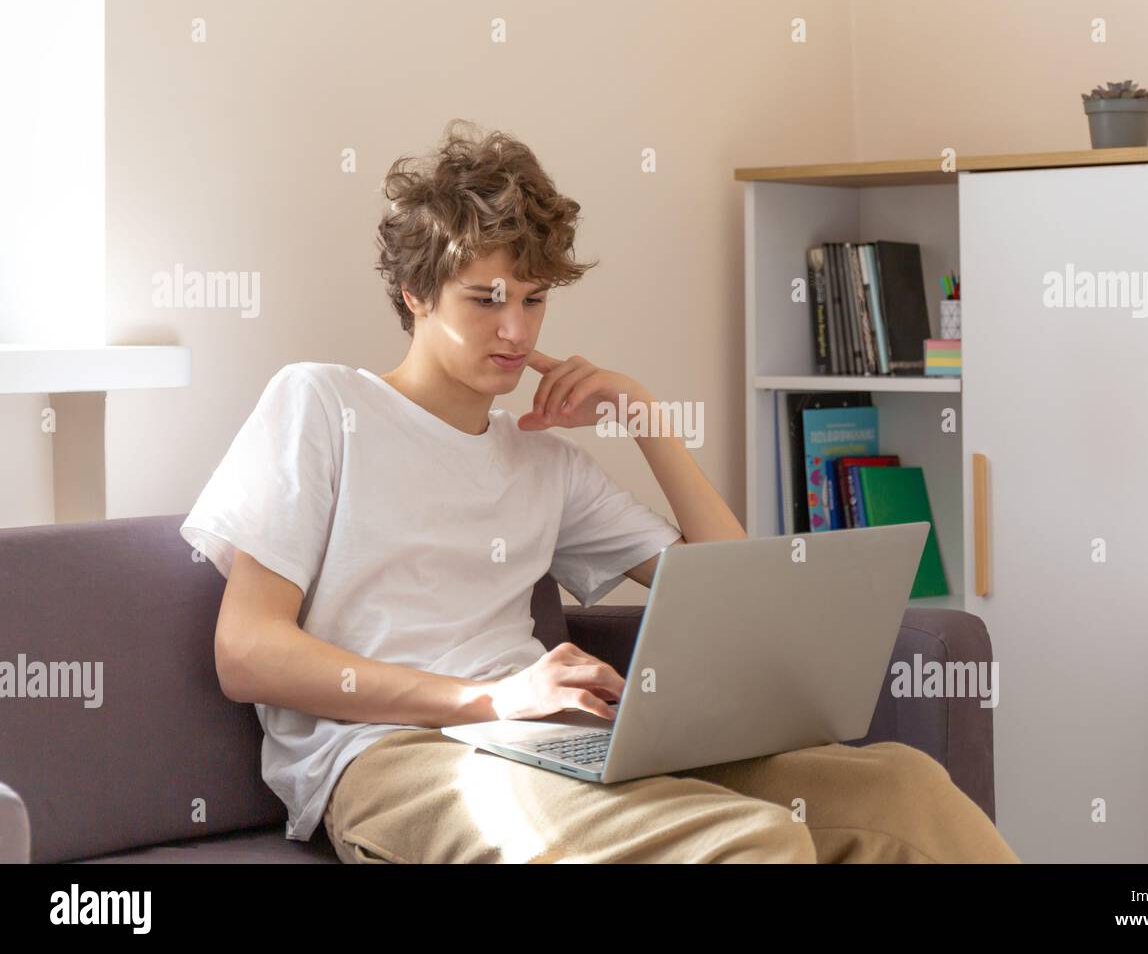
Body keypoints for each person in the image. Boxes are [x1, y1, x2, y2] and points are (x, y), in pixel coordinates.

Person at [180, 119, 1020, 864]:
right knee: (755, 843)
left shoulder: (544, 465)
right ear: (414, 292)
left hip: (551, 741)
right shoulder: (322, 405)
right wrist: (487, 700)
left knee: (902, 792)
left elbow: (736, 593)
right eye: (486, 301)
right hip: (397, 758)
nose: (516, 331)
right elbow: (247, 651)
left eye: (536, 300)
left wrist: (643, 415)